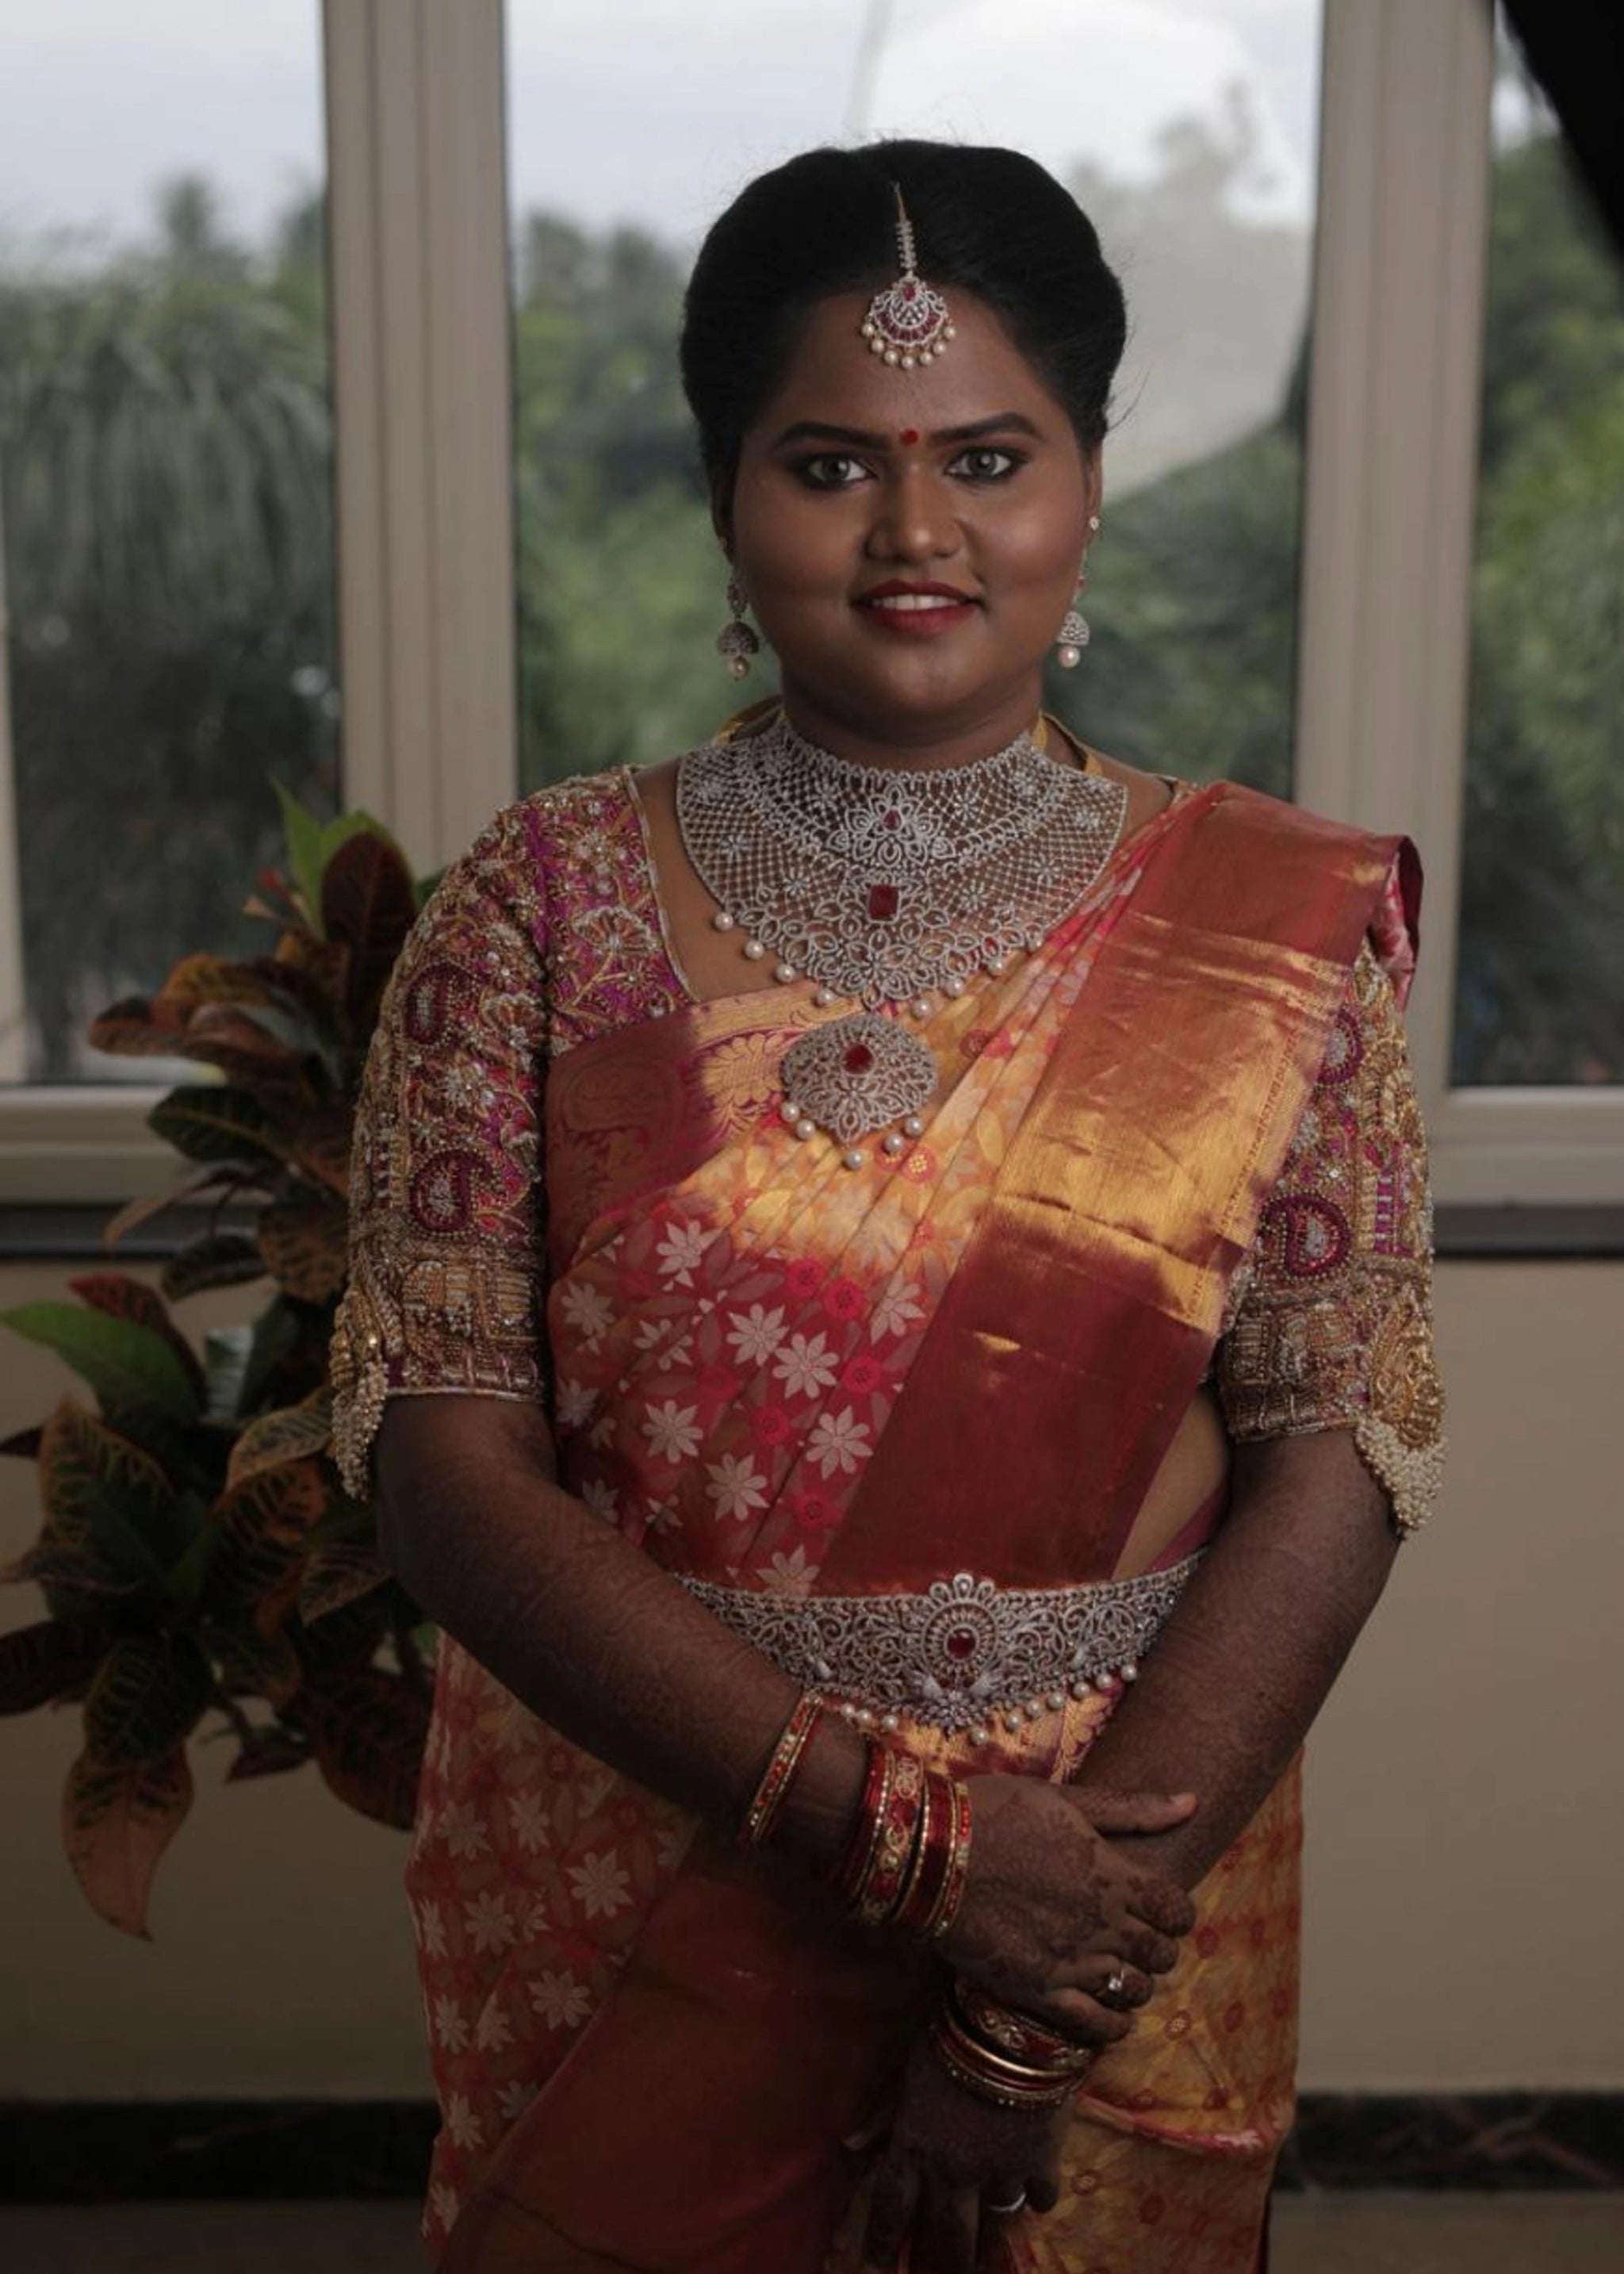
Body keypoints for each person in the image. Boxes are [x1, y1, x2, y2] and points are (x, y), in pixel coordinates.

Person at [329, 138, 1446, 2274]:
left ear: (1091, 483)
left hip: (1126, 1893)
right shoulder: (534, 909)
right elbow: (444, 1470)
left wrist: (1034, 1994)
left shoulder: (1278, 931)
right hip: (658, 1864)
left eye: (990, 456)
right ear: (726, 498)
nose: (919, 530)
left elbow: (1341, 1449)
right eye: (832, 463)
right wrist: (918, 1842)